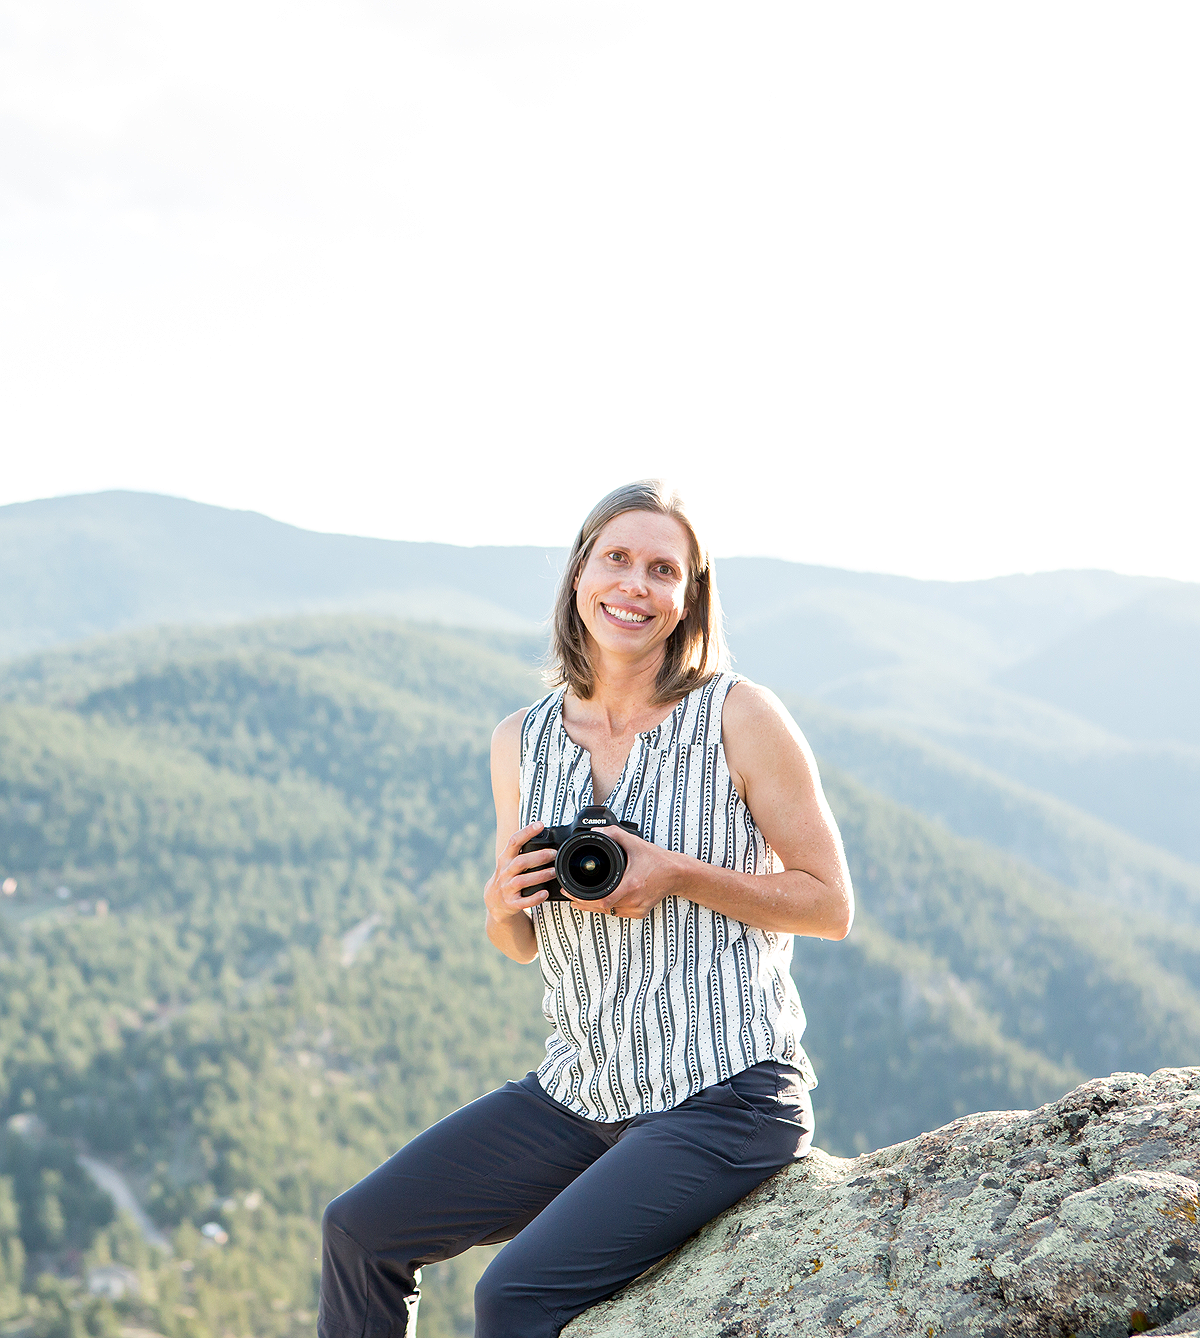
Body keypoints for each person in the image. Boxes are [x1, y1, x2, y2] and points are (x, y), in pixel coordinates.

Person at [318, 480, 854, 1338]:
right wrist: (500, 902)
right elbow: (519, 942)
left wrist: (674, 873)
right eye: (616, 559)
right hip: (579, 1091)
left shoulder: (739, 716)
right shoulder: (520, 739)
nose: (634, 585)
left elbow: (830, 906)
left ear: (688, 599)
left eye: (661, 569)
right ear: (579, 576)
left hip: (726, 1094)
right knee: (358, 1232)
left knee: (513, 1295)